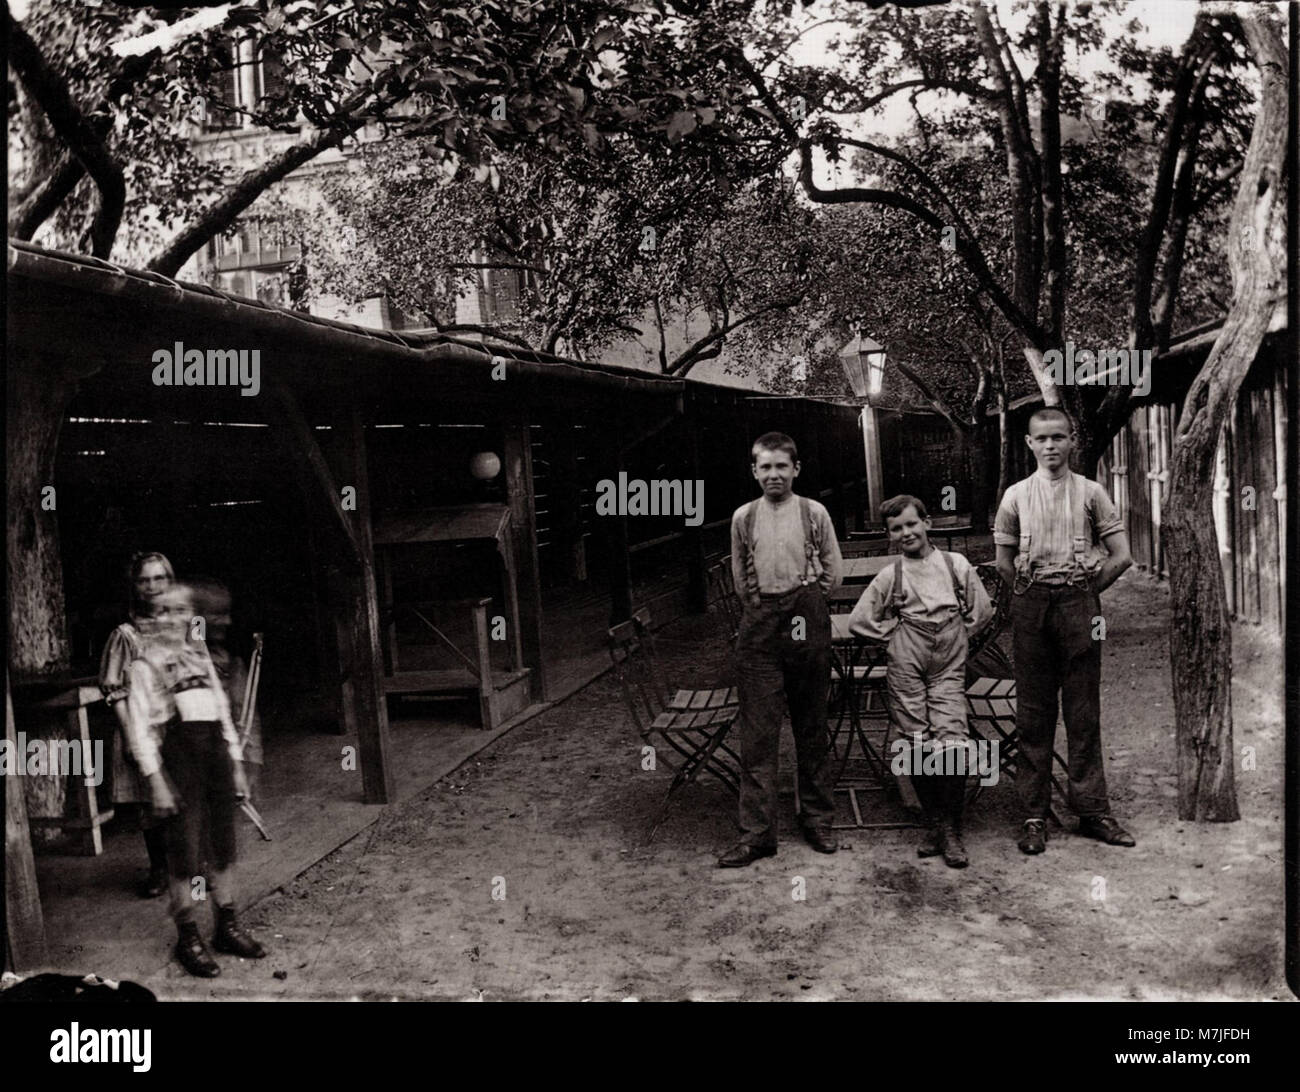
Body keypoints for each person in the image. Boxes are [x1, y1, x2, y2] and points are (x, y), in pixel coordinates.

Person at [994, 407, 1136, 855]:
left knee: (1082, 711)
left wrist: (1086, 593)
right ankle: (1033, 816)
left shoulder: (1092, 493)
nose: (1051, 446)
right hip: (1032, 604)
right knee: (1033, 716)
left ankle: (1092, 810)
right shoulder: (1015, 495)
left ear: (1073, 441)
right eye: (1042, 438)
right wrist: (1030, 595)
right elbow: (1003, 561)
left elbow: (1122, 555)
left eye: (1059, 437)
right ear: (1030, 444)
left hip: (1080, 604)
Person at [124, 583, 267, 977]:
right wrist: (154, 779)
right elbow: (139, 729)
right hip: (178, 761)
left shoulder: (199, 656)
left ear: (192, 616)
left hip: (216, 757)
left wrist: (235, 762)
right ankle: (187, 935)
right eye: (163, 611)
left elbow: (221, 710)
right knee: (183, 852)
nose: (172, 618)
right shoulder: (144, 666)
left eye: (180, 610)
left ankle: (227, 924)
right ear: (152, 620)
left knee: (223, 844)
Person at [848, 496, 994, 868]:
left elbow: (982, 610)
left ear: (927, 523)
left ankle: (950, 826)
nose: (906, 533)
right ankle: (937, 823)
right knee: (915, 737)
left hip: (948, 652)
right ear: (889, 534)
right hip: (907, 654)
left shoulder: (954, 563)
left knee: (952, 735)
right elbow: (859, 620)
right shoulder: (890, 574)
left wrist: (961, 633)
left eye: (912, 524)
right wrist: (894, 635)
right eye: (896, 528)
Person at [718, 432, 842, 868]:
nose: (774, 474)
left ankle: (818, 820)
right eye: (765, 467)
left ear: (796, 469)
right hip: (760, 629)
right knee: (759, 734)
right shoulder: (743, 517)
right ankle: (757, 835)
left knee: (811, 726)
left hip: (805, 617)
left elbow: (833, 572)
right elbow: (739, 575)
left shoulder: (814, 512)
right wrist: (762, 608)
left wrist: (806, 603)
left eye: (781, 466)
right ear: (754, 471)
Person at [98, 551, 174, 897]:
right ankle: (159, 868)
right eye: (145, 580)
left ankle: (186, 865)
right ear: (135, 586)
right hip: (141, 727)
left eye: (160, 578)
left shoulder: (182, 625)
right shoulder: (125, 634)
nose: (153, 586)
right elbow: (115, 692)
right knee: (149, 802)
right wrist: (131, 735)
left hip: (177, 725)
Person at [191, 579, 262, 802]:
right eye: (218, 615)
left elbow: (245, 717)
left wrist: (250, 763)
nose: (227, 621)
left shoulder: (232, 665)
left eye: (226, 614)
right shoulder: (189, 660)